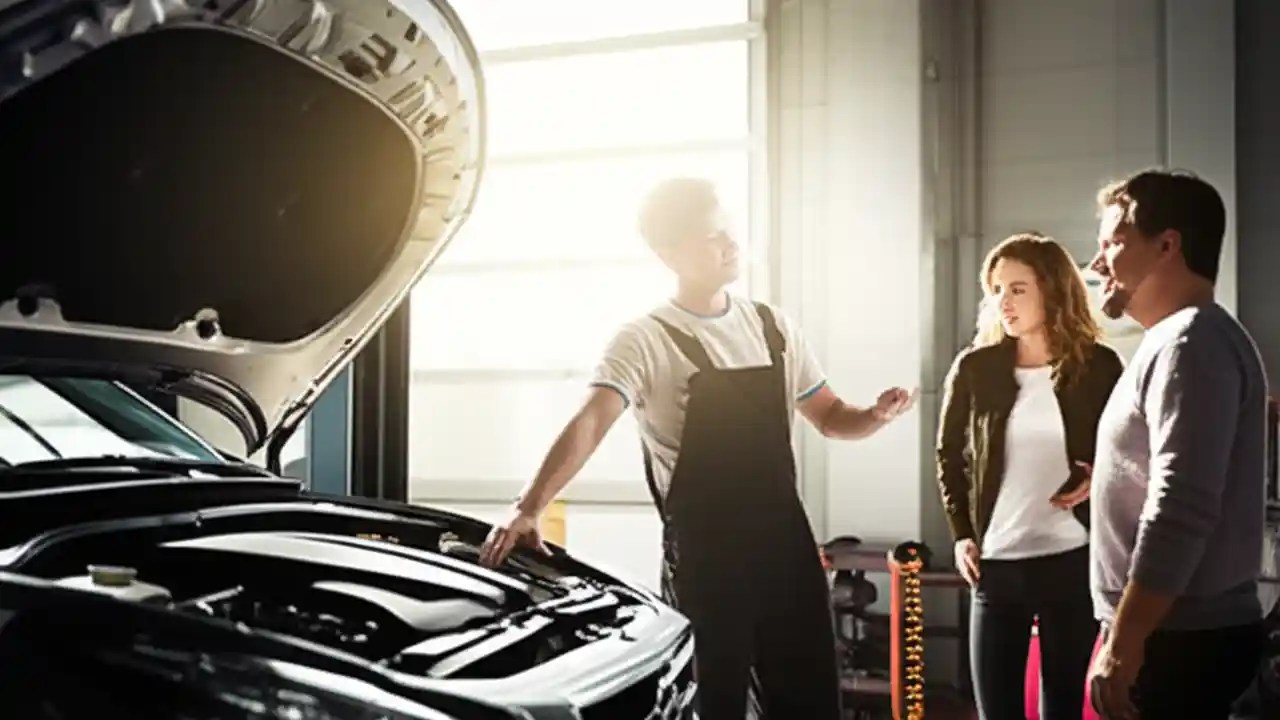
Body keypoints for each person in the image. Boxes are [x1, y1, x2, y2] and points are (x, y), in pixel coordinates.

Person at [477, 176, 916, 720]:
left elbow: (830, 416)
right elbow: (592, 421)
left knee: (809, 701)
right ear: (670, 254)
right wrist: (529, 506)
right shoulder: (645, 339)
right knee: (714, 703)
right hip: (708, 560)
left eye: (729, 231)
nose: (731, 244)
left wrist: (873, 416)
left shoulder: (772, 327)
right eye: (713, 236)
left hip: (785, 551)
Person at [1085, 169, 1269, 719]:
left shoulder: (1192, 342)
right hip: (1169, 634)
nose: (1097, 266)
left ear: (1168, 245)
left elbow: (1180, 505)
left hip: (1177, 640)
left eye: (1112, 244)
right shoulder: (1174, 340)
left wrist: (1125, 642)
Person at [936, 233, 1124, 720]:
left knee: (1062, 708)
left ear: (1053, 289)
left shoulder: (1099, 367)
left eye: (1017, 288)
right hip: (995, 565)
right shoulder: (975, 369)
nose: (1003, 301)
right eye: (996, 288)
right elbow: (949, 455)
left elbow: (1130, 453)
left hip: (1072, 561)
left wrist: (1098, 476)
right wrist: (961, 536)